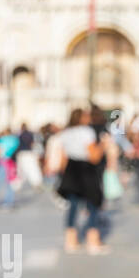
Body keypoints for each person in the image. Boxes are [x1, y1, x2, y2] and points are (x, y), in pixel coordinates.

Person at [52, 108, 108, 253]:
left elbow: (63, 158)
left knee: (73, 205)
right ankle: (92, 240)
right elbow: (94, 156)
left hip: (71, 169)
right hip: (86, 170)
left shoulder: (66, 133)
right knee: (93, 204)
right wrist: (103, 145)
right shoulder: (86, 132)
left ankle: (70, 240)